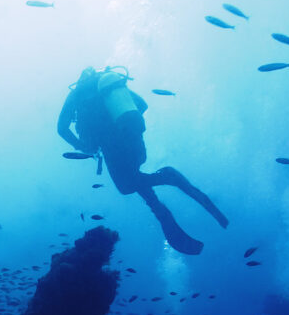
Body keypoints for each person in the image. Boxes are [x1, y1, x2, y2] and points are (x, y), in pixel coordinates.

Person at [58, 66, 228, 255]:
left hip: (111, 147)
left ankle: (167, 178)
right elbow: (142, 104)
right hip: (134, 140)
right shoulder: (109, 87)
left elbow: (61, 128)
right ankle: (159, 210)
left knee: (126, 186)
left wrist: (85, 146)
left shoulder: (77, 94)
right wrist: (123, 124)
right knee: (134, 177)